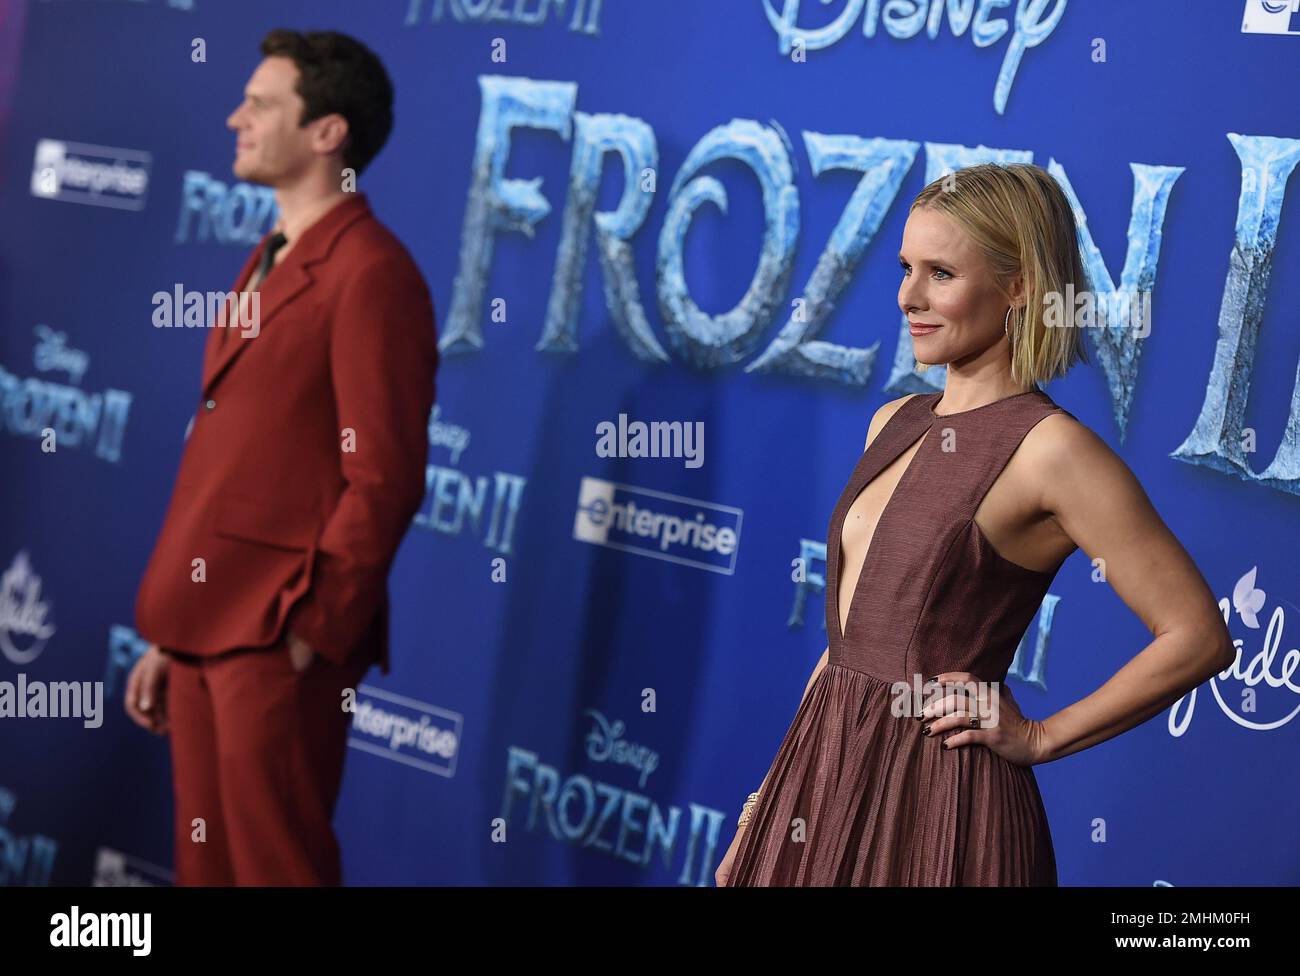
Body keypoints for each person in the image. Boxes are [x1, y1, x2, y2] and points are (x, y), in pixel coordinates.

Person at [716, 162, 1233, 887]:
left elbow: (1198, 636)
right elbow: (848, 651)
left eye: (941, 274)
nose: (908, 297)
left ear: (1019, 286)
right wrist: (765, 807)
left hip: (939, 809)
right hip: (821, 779)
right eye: (905, 268)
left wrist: (1042, 736)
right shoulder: (892, 424)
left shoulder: (1052, 450)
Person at [123, 29, 438, 885]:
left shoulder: (372, 274)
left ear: (327, 133)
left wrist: (311, 632)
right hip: (207, 627)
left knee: (274, 871)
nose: (236, 117)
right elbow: (236, 460)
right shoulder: (265, 258)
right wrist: (176, 632)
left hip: (277, 635)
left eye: (260, 104)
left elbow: (386, 475)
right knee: (209, 872)